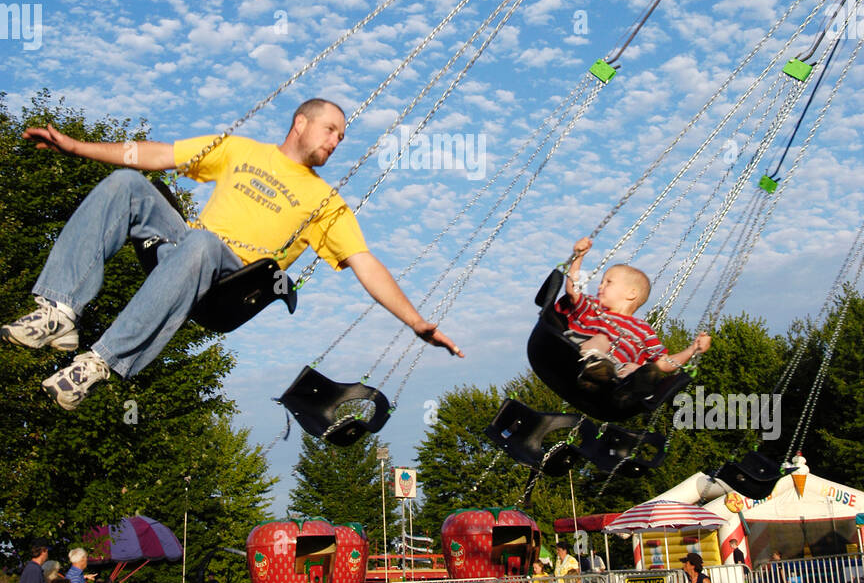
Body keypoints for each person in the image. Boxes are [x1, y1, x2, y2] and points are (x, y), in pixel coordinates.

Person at [1, 99, 464, 409]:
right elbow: (159, 154)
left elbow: (367, 264)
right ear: (300, 122)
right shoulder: (241, 151)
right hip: (180, 257)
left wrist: (416, 322)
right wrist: (76, 146)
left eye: (341, 137)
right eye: (331, 129)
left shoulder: (327, 203)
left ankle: (97, 364)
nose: (336, 140)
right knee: (128, 185)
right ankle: (59, 312)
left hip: (232, 286)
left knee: (204, 243)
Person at [556, 236, 711, 384]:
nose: (600, 286)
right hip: (578, 356)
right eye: (602, 282)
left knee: (638, 368)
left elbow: (664, 363)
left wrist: (693, 349)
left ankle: (630, 387)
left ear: (631, 294)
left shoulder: (643, 330)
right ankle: (595, 367)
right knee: (602, 340)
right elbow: (573, 290)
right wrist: (578, 257)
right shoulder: (594, 307)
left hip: (613, 374)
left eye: (608, 282)